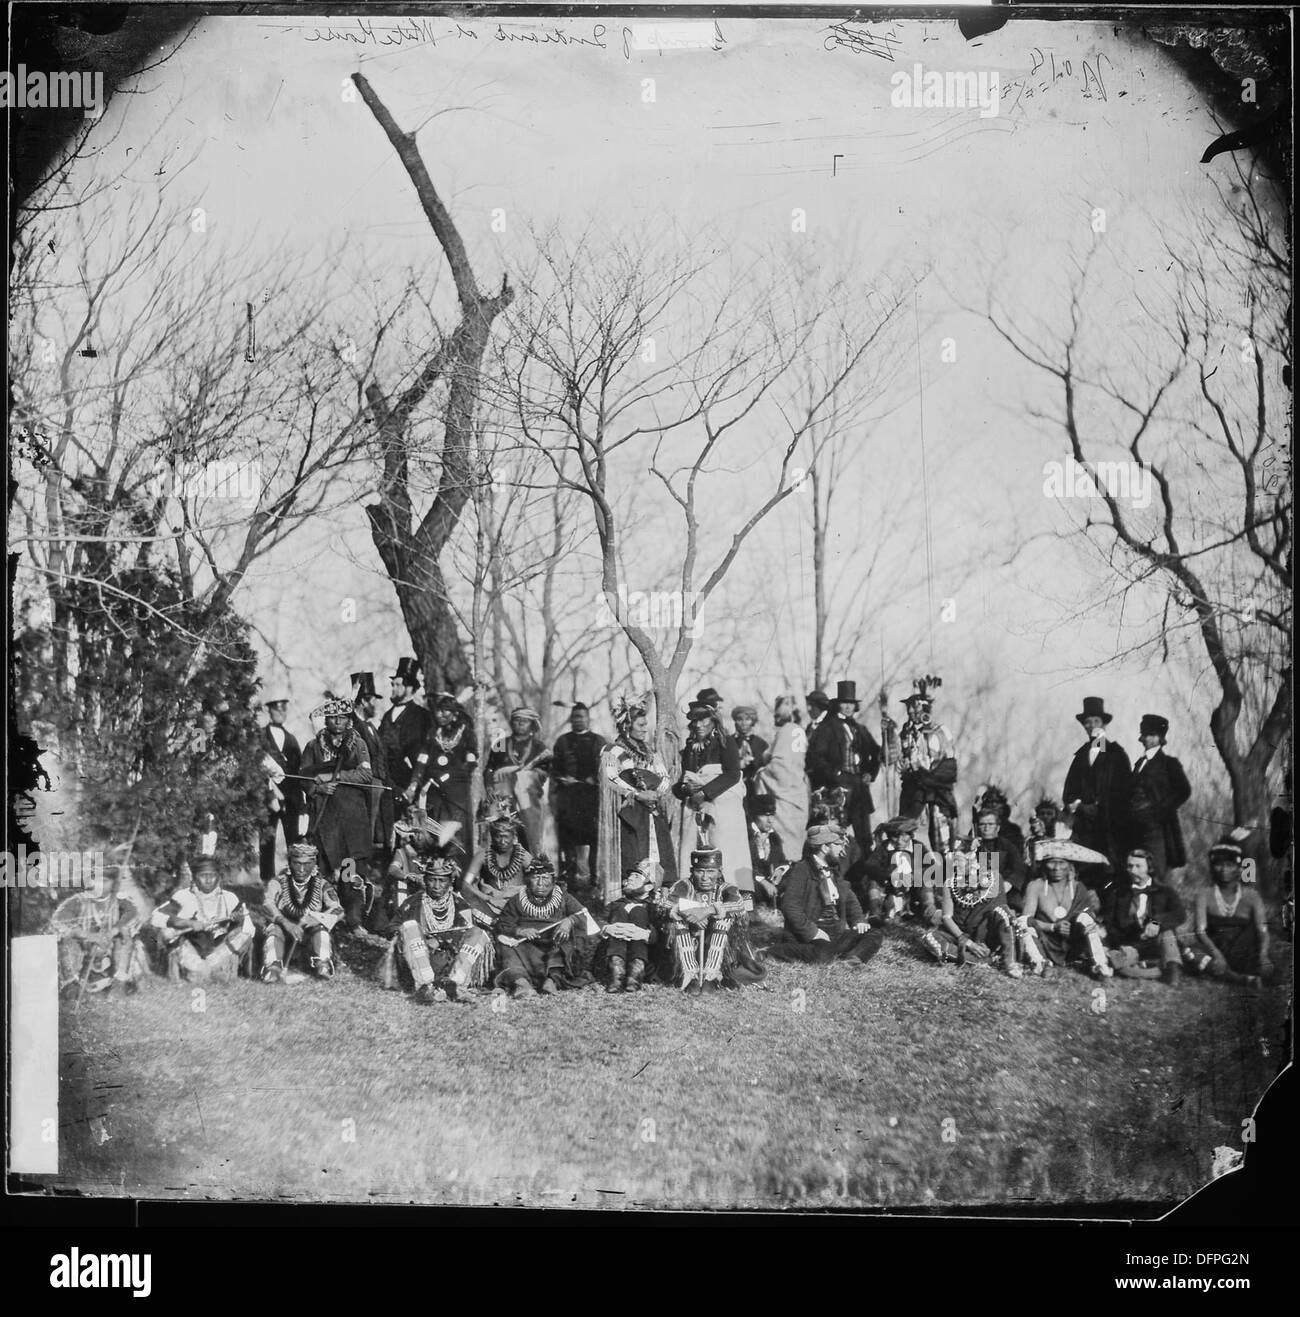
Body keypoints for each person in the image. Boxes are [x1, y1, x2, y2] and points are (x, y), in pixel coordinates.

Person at [300, 698, 377, 930]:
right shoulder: (313, 746)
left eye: (343, 717)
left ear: (349, 719)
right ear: (327, 719)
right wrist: (318, 788)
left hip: (352, 819)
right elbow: (303, 778)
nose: (338, 722)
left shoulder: (358, 744)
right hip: (325, 818)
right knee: (323, 869)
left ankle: (353, 920)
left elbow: (366, 775)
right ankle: (323, 919)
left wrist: (338, 778)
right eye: (333, 717)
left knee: (350, 869)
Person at [380, 855, 494, 1004]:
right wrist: (418, 938)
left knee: (479, 933)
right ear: (425, 880)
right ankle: (425, 987)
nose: (436, 885)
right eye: (432, 880)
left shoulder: (460, 904)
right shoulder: (412, 902)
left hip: (448, 963)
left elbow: (464, 931)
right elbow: (391, 929)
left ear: (450, 881)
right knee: (409, 927)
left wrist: (440, 940)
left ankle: (455, 986)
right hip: (417, 962)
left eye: (442, 881)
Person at [597, 694, 676, 902]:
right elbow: (611, 779)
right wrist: (638, 794)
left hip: (651, 810)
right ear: (626, 726)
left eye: (646, 724)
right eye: (640, 724)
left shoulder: (650, 753)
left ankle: (657, 892)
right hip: (629, 813)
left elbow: (664, 778)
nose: (644, 728)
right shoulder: (612, 750)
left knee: (658, 849)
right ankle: (631, 895)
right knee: (632, 851)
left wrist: (655, 793)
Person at [767, 825, 884, 965]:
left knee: (874, 933)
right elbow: (790, 906)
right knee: (823, 954)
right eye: (838, 845)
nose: (842, 849)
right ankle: (773, 951)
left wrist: (859, 920)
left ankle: (851, 959)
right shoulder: (801, 869)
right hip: (811, 933)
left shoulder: (834, 869)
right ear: (824, 848)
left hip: (835, 932)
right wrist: (813, 932)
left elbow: (849, 899)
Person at [674, 699, 752, 894]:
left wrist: (705, 791)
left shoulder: (726, 742)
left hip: (724, 805)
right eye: (695, 721)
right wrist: (686, 789)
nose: (699, 725)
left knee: (727, 849)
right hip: (696, 808)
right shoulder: (690, 746)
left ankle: (734, 895)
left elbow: (733, 774)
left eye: (703, 720)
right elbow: (684, 779)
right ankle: (696, 894)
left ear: (713, 720)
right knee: (695, 850)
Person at [661, 848, 763, 994]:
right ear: (692, 871)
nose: (704, 877)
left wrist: (707, 911)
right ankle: (690, 976)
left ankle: (712, 976)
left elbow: (738, 905)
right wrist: (688, 913)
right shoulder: (683, 885)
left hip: (720, 949)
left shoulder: (727, 888)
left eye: (710, 871)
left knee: (726, 919)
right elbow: (665, 905)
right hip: (691, 945)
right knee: (676, 920)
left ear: (720, 872)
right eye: (700, 871)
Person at [495, 858, 596, 998]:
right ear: (528, 880)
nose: (540, 883)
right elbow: (502, 924)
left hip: (554, 945)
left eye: (545, 878)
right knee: (505, 944)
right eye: (536, 878)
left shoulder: (564, 898)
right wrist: (520, 931)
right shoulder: (517, 900)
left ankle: (552, 981)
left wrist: (569, 921)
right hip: (526, 946)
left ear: (553, 880)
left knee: (569, 938)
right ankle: (521, 983)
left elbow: (583, 916)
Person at [1181, 837, 1273, 986]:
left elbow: (1262, 930)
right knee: (1188, 952)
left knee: (1269, 965)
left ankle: (1223, 973)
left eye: (1229, 865)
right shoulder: (1205, 895)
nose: (1224, 870)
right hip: (1216, 949)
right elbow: (1200, 931)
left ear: (1240, 868)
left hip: (1245, 952)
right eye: (1218, 865)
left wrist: (1264, 956)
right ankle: (1240, 979)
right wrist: (1217, 955)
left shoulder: (1251, 896)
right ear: (1212, 868)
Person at [151, 853, 255, 982]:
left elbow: (249, 929)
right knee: (167, 933)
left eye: (212, 875)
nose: (208, 880)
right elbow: (156, 917)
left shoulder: (229, 898)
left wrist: (238, 922)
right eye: (203, 876)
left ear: (218, 877)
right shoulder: (184, 896)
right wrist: (187, 923)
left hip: (217, 952)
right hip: (191, 948)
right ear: (194, 877)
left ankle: (216, 969)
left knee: (245, 935)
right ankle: (204, 971)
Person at [1017, 839, 1113, 979]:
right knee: (1022, 921)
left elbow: (1088, 916)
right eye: (1052, 862)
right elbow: (1027, 919)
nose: (1056, 868)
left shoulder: (1078, 887)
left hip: (1071, 943)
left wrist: (1084, 925)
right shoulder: (1036, 886)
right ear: (1044, 865)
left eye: (1061, 862)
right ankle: (1040, 963)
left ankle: (1100, 965)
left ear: (1070, 866)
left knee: (1086, 919)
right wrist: (1052, 927)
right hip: (1045, 941)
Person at [923, 842, 1020, 977]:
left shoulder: (994, 877)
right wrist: (968, 943)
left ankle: (1009, 962)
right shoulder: (950, 882)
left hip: (986, 935)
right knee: (930, 938)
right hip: (960, 935)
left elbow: (999, 915)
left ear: (974, 860)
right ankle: (981, 961)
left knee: (1003, 912)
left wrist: (980, 942)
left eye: (959, 860)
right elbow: (946, 917)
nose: (955, 864)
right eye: (953, 860)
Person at [804, 680, 881, 849]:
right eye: (844, 703)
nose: (848, 707)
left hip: (860, 788)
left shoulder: (860, 729)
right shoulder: (828, 728)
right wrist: (834, 776)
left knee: (864, 837)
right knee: (835, 834)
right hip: (838, 788)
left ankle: (864, 874)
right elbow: (816, 757)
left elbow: (876, 752)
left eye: (851, 703)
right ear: (838, 705)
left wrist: (870, 773)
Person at [50, 867, 146, 998]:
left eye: (104, 880)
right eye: (95, 879)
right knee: (65, 938)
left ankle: (119, 981)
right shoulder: (79, 900)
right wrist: (88, 935)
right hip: (84, 950)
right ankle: (72, 984)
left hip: (110, 949)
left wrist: (114, 930)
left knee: (126, 932)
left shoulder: (118, 899)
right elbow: (58, 921)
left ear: (114, 883)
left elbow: (132, 913)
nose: (98, 884)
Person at [1062, 696, 1132, 872]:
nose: (1092, 725)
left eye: (1096, 721)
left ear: (1104, 724)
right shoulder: (1080, 757)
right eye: (1087, 722)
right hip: (1083, 829)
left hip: (1109, 829)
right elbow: (1068, 792)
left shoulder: (1116, 755)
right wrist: (1076, 805)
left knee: (1109, 874)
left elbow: (1124, 794)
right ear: (1083, 726)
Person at [259, 842, 344, 982]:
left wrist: (317, 919)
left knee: (321, 930)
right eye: (297, 863)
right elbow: (267, 904)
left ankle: (322, 963)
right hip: (284, 931)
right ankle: (272, 967)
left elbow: (338, 909)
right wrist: (285, 923)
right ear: (290, 863)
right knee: (274, 929)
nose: (301, 869)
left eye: (307, 864)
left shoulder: (322, 884)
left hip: (309, 932)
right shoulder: (278, 882)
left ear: (314, 864)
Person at [1101, 848, 1184, 985]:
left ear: (1150, 868)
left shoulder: (1165, 891)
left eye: (1138, 866)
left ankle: (1172, 970)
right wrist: (1118, 940)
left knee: (1167, 933)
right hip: (1131, 945)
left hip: (1157, 943)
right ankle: (1156, 971)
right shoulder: (1117, 892)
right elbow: (1109, 922)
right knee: (1114, 961)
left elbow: (1180, 914)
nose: (1133, 870)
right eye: (1130, 866)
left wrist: (1157, 922)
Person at [1126, 715, 1191, 877]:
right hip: (1135, 829)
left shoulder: (1169, 764)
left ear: (1158, 738)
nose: (1143, 739)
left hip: (1157, 830)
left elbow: (1183, 790)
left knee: (1156, 872)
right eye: (1144, 734)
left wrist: (1159, 812)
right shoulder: (1140, 763)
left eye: (1148, 735)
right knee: (1136, 873)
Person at [896, 682, 958, 852]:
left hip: (937, 793)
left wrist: (927, 777)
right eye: (909, 707)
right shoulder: (905, 733)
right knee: (904, 834)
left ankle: (945, 873)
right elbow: (896, 757)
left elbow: (950, 767)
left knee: (942, 838)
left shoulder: (940, 731)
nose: (910, 712)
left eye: (915, 707)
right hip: (912, 794)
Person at [551, 702, 607, 893]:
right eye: (575, 717)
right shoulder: (562, 741)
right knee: (568, 841)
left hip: (591, 799)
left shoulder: (599, 741)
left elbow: (606, 769)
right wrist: (562, 778)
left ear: (588, 718)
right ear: (571, 719)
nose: (578, 720)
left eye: (582, 716)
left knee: (593, 840)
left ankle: (593, 879)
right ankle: (570, 879)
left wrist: (595, 778)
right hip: (569, 799)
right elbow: (554, 768)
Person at [412, 693, 478, 849]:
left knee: (455, 834)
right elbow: (423, 759)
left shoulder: (466, 734)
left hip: (456, 792)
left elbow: (470, 764)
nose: (439, 714)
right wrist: (415, 781)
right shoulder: (433, 734)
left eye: (445, 711)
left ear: (455, 714)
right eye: (438, 710)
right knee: (434, 830)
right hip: (434, 789)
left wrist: (449, 776)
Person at [484, 707, 553, 854]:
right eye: (517, 720)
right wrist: (490, 787)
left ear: (532, 724)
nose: (520, 724)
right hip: (502, 798)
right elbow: (489, 768)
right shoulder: (501, 743)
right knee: (501, 833)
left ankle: (531, 868)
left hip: (527, 799)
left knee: (529, 835)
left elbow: (545, 772)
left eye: (525, 721)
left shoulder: (539, 747)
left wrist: (524, 775)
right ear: (511, 722)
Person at [351, 671, 394, 899]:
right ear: (362, 701)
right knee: (364, 834)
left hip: (379, 787)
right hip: (364, 788)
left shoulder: (370, 726)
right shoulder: (354, 726)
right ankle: (360, 878)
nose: (375, 704)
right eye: (372, 700)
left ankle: (373, 878)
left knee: (379, 835)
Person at [378, 657, 433, 825]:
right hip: (388, 780)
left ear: (409, 687)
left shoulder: (421, 715)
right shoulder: (387, 716)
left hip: (411, 781)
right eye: (392, 685)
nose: (393, 689)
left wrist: (414, 785)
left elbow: (425, 751)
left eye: (397, 685)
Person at [259, 695, 303, 886]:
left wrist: (301, 805)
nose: (280, 712)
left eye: (283, 709)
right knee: (266, 840)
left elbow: (298, 772)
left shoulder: (292, 739)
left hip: (291, 797)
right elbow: (255, 768)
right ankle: (267, 882)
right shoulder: (259, 736)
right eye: (276, 709)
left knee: (294, 840)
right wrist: (270, 794)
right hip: (268, 795)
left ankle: (296, 882)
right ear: (269, 710)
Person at [461, 810, 534, 924]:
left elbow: (541, 881)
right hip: (489, 907)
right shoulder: (482, 856)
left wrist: (512, 894)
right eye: (498, 837)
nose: (502, 841)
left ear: (513, 836)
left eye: (506, 837)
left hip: (519, 906)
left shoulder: (523, 856)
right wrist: (489, 898)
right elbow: (465, 884)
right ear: (492, 836)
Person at [600, 859, 659, 992]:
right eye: (630, 875)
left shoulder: (654, 908)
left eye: (637, 876)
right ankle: (617, 972)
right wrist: (607, 929)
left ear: (649, 887)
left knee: (638, 911)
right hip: (613, 952)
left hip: (645, 957)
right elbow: (598, 923)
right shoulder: (615, 904)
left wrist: (646, 934)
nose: (630, 879)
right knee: (620, 911)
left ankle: (635, 973)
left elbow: (662, 934)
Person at [763, 695, 808, 864]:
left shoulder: (786, 731)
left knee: (784, 837)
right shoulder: (799, 731)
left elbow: (780, 765)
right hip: (799, 791)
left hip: (785, 794)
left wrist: (762, 771)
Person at [973, 805, 1027, 911]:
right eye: (982, 824)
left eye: (990, 824)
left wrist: (1007, 885)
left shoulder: (1007, 846)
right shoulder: (973, 846)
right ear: (977, 827)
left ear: (997, 827)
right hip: (977, 892)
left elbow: (1019, 869)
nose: (986, 828)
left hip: (1005, 893)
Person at [748, 793, 791, 906]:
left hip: (771, 885)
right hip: (750, 884)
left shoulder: (774, 837)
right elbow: (741, 865)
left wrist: (779, 870)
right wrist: (763, 882)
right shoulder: (746, 836)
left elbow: (782, 859)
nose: (770, 820)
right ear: (755, 815)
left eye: (772, 815)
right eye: (765, 815)